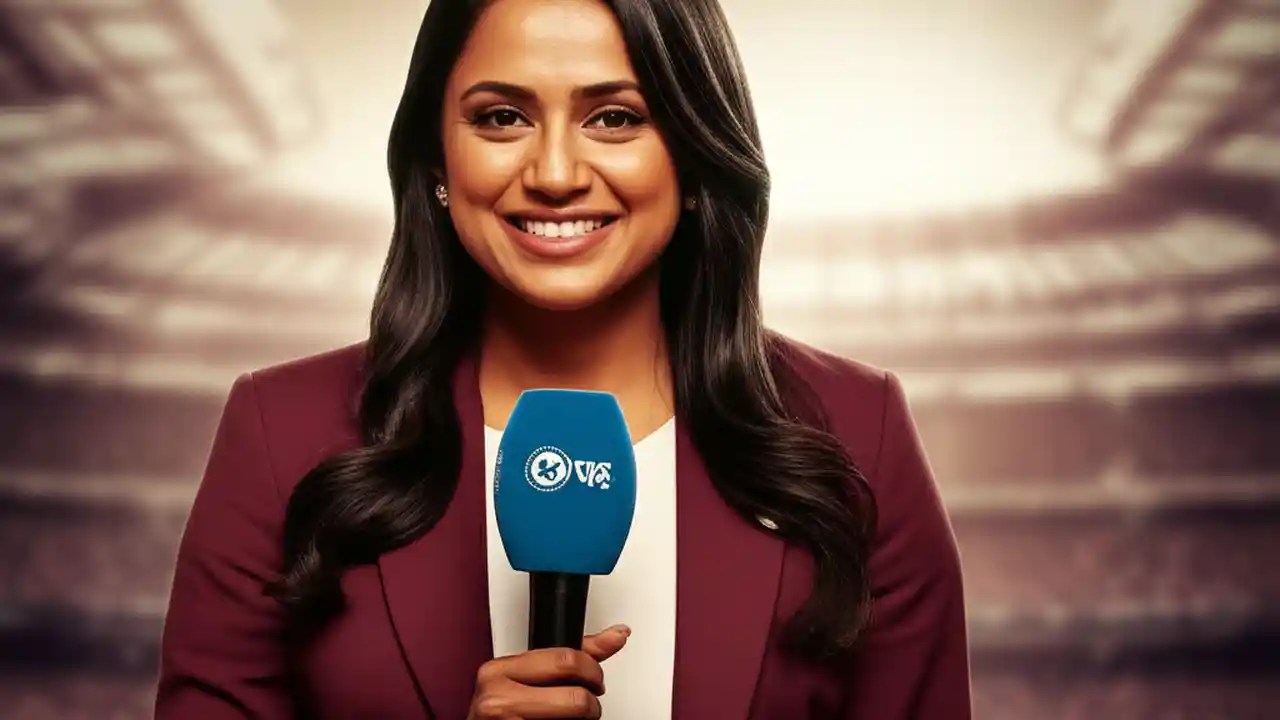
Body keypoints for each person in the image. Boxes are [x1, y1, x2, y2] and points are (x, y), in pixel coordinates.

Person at [155, 0, 970, 717]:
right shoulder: (279, 433)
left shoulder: (860, 436)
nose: (552, 174)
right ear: (438, 161)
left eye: (614, 118)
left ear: (693, 151)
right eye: (501, 117)